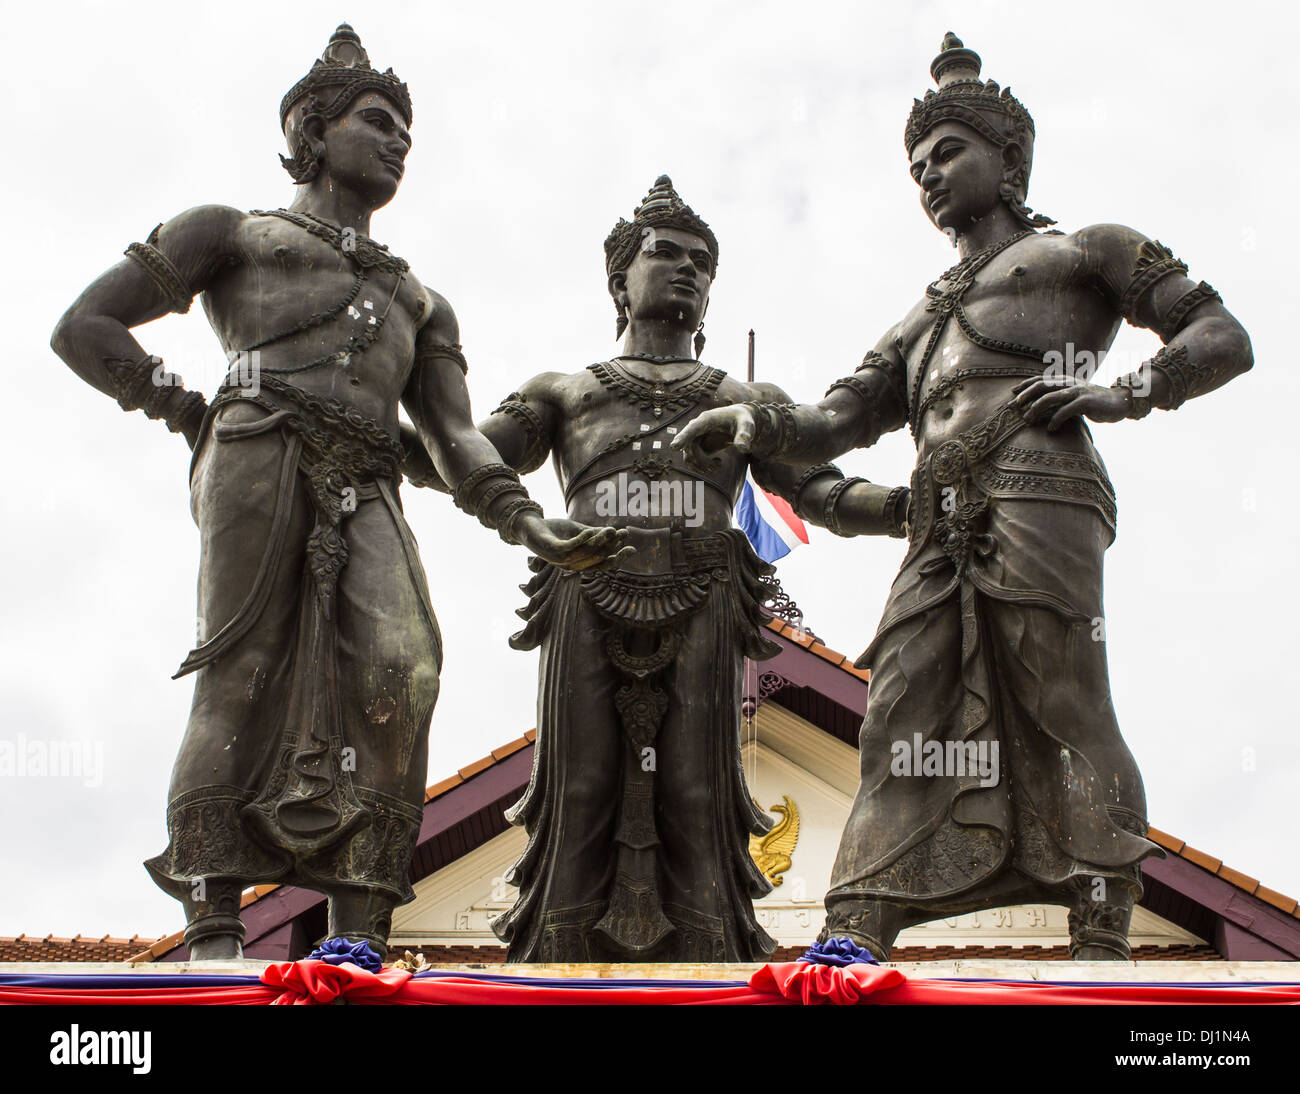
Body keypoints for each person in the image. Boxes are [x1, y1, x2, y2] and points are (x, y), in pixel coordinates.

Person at [49, 24, 626, 960]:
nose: (399, 141)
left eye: (407, 130)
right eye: (377, 121)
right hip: (258, 449)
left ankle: (360, 924)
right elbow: (85, 324)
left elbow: (453, 437)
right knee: (242, 661)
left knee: (405, 664)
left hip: (371, 477)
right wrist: (182, 408)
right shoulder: (230, 233)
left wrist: (527, 520)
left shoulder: (419, 300)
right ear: (312, 131)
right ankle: (214, 914)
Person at [673, 34, 1253, 959]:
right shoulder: (918, 320)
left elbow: (1220, 334)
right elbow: (836, 419)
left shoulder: (1084, 252)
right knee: (900, 704)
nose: (930, 178)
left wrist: (1128, 392)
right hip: (937, 519)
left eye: (947, 154)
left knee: (1061, 693)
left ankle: (1100, 909)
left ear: (1009, 157)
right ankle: (861, 915)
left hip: (1040, 485)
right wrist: (757, 423)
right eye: (917, 168)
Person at [413, 175, 907, 960]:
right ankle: (558, 956)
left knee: (696, 787)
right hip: (585, 584)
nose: (688, 270)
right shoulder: (563, 392)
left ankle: (710, 955)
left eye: (703, 264)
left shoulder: (745, 399)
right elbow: (458, 456)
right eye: (668, 254)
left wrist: (910, 507)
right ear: (621, 281)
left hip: (706, 588)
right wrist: (360, 417)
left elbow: (821, 492)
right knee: (578, 785)